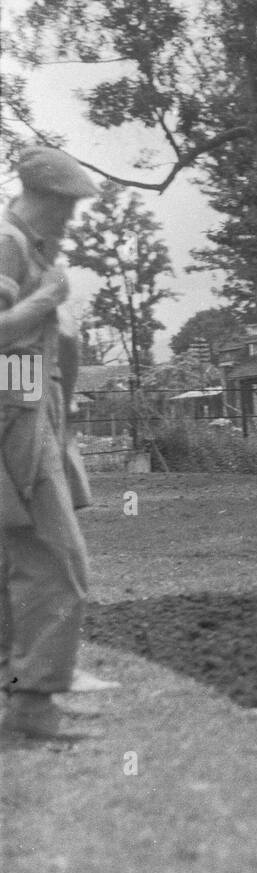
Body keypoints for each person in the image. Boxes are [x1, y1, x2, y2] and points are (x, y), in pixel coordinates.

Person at [0, 145, 108, 742]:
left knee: (14, 559)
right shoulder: (9, 242)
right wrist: (49, 299)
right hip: (11, 416)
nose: (70, 219)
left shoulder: (25, 246)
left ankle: (20, 691)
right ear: (40, 197)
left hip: (20, 411)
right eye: (65, 206)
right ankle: (33, 704)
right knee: (57, 561)